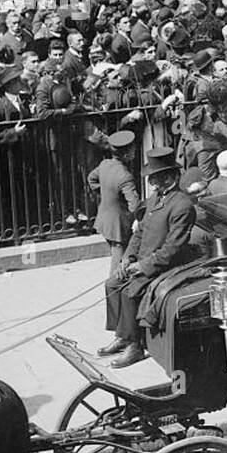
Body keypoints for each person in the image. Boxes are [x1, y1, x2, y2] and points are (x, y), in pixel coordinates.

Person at [101, 147, 197, 368]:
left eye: (156, 179)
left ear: (171, 177)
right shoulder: (155, 199)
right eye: (152, 179)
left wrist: (143, 266)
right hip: (142, 260)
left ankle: (135, 346)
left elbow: (172, 248)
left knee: (130, 291)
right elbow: (140, 232)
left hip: (167, 265)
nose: (152, 184)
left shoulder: (182, 205)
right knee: (113, 283)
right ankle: (123, 335)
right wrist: (127, 258)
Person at [88, 129, 140, 275]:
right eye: (133, 150)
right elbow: (134, 205)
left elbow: (91, 179)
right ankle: (114, 288)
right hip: (118, 225)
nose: (135, 151)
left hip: (104, 220)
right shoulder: (125, 176)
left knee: (116, 255)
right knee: (118, 265)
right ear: (126, 154)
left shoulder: (105, 164)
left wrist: (105, 191)